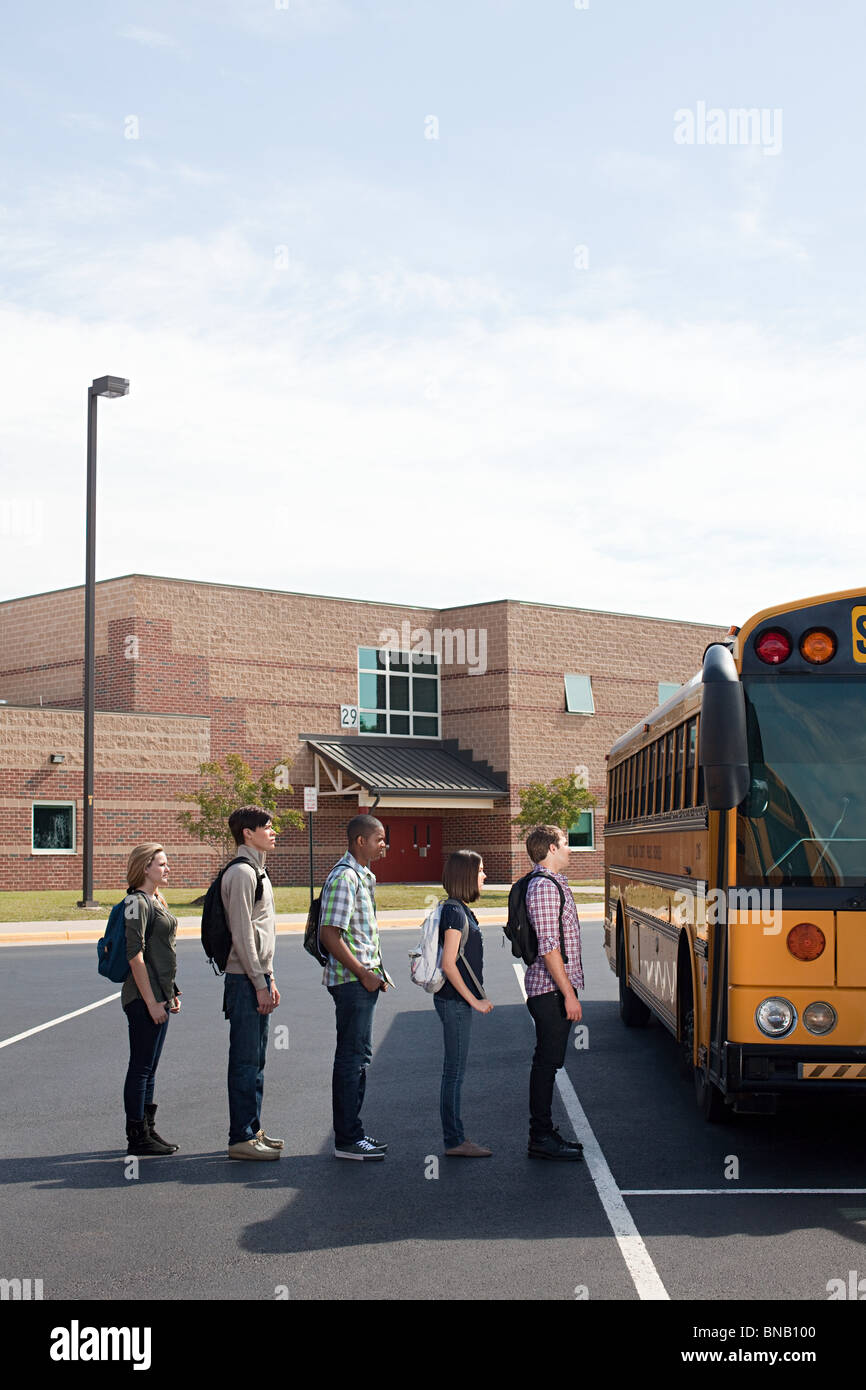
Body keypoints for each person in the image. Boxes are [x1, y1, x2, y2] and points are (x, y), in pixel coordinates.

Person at [319, 814, 392, 1160]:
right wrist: (364, 972)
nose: (384, 845)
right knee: (351, 1059)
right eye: (379, 839)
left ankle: (354, 1133)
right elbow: (329, 934)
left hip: (363, 979)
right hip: (351, 983)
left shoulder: (364, 876)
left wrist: (377, 971)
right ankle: (347, 1139)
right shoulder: (344, 878)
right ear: (359, 841)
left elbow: (361, 934)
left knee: (358, 1057)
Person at [221, 806, 281, 1161]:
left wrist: (270, 977)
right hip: (244, 980)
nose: (273, 832)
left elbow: (261, 935)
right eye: (267, 827)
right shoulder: (243, 874)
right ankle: (240, 1137)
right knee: (244, 1060)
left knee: (256, 1059)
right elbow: (242, 936)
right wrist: (260, 982)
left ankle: (253, 1129)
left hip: (257, 977)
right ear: (248, 833)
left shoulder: (258, 871)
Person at [523, 824, 585, 1161]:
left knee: (549, 1062)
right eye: (564, 843)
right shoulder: (544, 888)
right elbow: (548, 947)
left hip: (554, 991)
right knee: (546, 1064)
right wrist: (569, 995)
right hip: (550, 992)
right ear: (550, 848)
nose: (569, 848)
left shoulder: (553, 883)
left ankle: (543, 1132)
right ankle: (541, 1136)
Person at [121, 843, 181, 1156]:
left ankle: (148, 1129)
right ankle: (136, 1135)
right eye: (161, 864)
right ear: (145, 867)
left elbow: (162, 953)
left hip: (159, 995)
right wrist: (151, 1002)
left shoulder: (156, 898)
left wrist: (171, 991)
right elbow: (136, 956)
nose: (167, 868)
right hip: (142, 998)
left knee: (151, 1068)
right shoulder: (136, 902)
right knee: (141, 1067)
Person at [434, 850, 493, 1157]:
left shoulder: (458, 909)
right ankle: (455, 1141)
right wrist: (475, 1000)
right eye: (480, 870)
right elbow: (448, 963)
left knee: (454, 1070)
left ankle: (455, 1138)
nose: (484, 875)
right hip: (454, 1001)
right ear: (466, 875)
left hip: (456, 1002)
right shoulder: (455, 912)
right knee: (454, 1072)